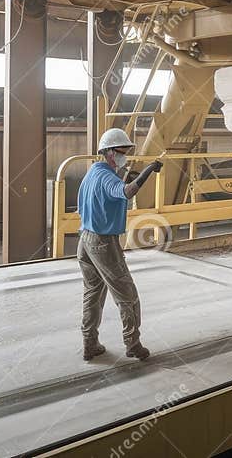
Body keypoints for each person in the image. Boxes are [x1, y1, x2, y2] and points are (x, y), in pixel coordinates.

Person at [77, 128, 163, 361]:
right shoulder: (107, 177)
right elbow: (126, 192)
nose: (125, 155)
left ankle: (90, 344)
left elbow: (107, 196)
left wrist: (127, 175)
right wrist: (147, 172)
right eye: (122, 152)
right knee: (128, 296)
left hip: (84, 240)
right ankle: (133, 344)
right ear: (108, 152)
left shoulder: (92, 173)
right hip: (103, 243)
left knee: (92, 295)